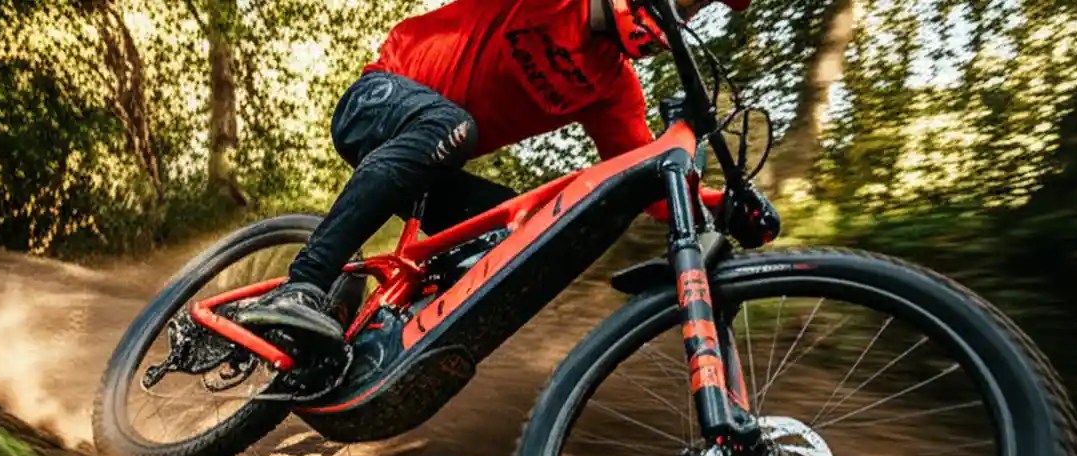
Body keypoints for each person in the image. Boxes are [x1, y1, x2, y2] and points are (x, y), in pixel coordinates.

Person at [237, 0, 745, 342]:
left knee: (527, 234)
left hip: (431, 165)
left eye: (698, 9)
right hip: (378, 100)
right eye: (689, 1)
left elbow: (652, 186)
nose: (688, 15)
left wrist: (725, 205)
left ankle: (376, 337)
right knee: (452, 125)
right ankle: (301, 285)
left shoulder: (612, 87)